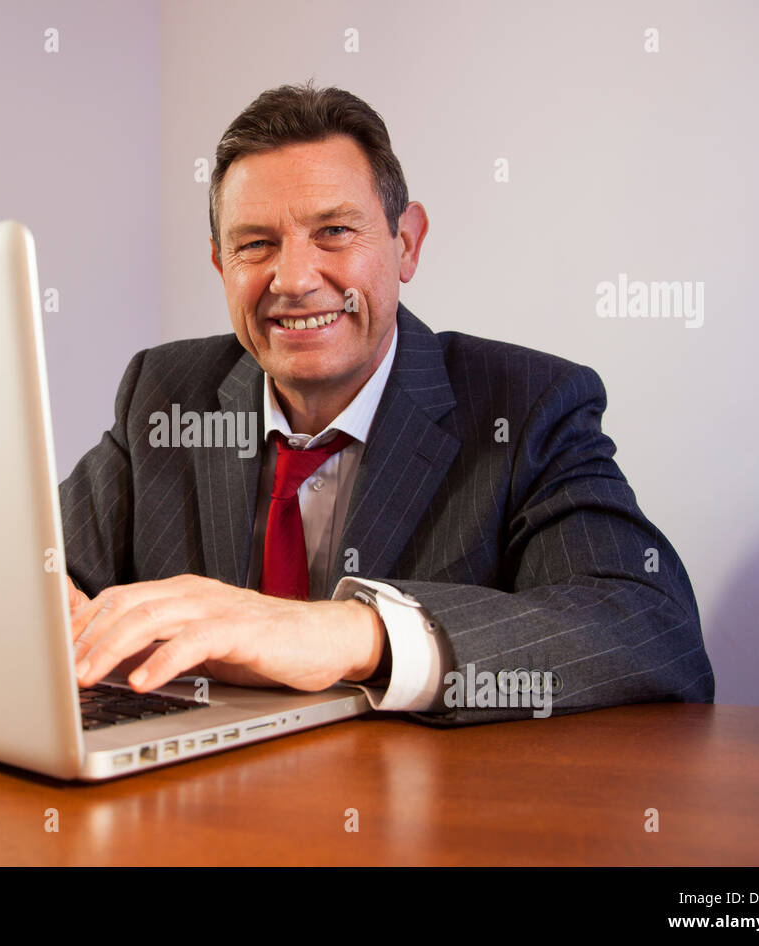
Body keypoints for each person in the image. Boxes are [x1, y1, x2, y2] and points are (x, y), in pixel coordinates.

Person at [58, 82, 714, 724]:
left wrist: (346, 634)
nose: (293, 280)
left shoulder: (528, 405)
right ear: (219, 263)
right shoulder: (166, 393)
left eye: (335, 231)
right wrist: (30, 600)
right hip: (197, 805)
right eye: (255, 244)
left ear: (406, 243)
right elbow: (41, 564)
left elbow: (654, 630)